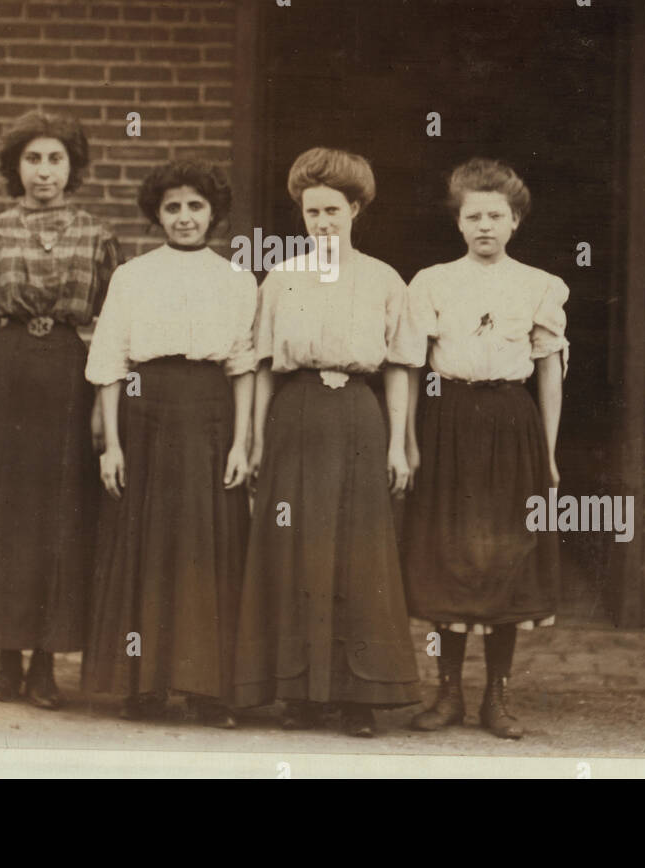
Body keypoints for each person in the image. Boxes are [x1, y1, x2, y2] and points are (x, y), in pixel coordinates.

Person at [233, 147, 422, 738]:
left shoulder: (384, 279)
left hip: (360, 417)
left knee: (360, 549)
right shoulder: (282, 277)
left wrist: (398, 444)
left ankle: (358, 696)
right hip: (295, 414)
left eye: (333, 210)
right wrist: (255, 438)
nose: (322, 222)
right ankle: (298, 691)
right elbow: (263, 364)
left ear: (357, 209)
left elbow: (400, 366)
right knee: (293, 546)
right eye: (312, 212)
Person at [0, 110, 120, 709]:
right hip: (6, 374)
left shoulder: (98, 236)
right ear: (16, 167)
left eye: (56, 159)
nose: (45, 172)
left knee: (57, 519)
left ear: (74, 167)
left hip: (70, 376)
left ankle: (45, 666)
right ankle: (5, 661)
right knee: (2, 517)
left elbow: (111, 330)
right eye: (33, 159)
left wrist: (100, 409)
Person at [83, 161, 256, 728]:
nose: (184, 217)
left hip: (211, 415)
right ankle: (144, 683)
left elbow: (243, 367)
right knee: (147, 545)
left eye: (195, 206)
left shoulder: (236, 279)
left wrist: (243, 440)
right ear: (157, 214)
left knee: (210, 547)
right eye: (173, 207)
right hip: (146, 411)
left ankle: (210, 689)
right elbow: (109, 360)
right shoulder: (131, 277)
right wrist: (112, 443)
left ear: (213, 213)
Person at [401, 158, 568, 739]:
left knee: (506, 557)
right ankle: (447, 694)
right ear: (459, 223)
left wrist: (546, 450)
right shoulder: (432, 282)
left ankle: (497, 698)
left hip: (511, 422)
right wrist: (410, 440)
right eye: (473, 216)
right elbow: (409, 364)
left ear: (515, 220)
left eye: (496, 215)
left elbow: (549, 372)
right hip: (447, 420)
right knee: (449, 552)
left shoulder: (540, 286)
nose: (484, 227)